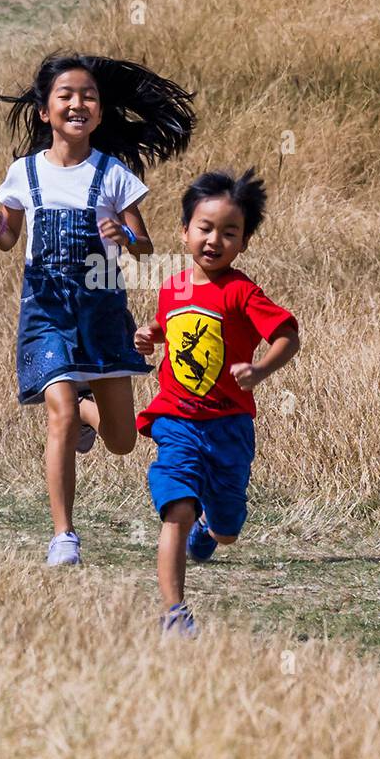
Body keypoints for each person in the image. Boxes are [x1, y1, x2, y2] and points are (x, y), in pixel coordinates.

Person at [0, 52, 195, 566]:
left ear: (100, 112)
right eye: (66, 96)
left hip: (101, 316)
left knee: (122, 441)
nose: (79, 103)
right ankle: (64, 537)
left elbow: (144, 245)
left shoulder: (112, 174)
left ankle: (85, 413)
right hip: (46, 312)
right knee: (57, 413)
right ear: (43, 110)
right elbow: (11, 238)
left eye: (89, 96)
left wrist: (125, 234)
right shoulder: (23, 173)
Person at [134, 167, 299, 633]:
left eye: (230, 232)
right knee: (177, 509)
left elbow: (289, 334)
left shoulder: (243, 292)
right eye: (205, 228)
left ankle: (211, 531)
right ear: (185, 231)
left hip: (229, 426)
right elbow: (171, 327)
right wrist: (150, 336)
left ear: (244, 242)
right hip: (177, 420)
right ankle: (174, 612)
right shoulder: (173, 287)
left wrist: (263, 369)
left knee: (226, 530)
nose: (214, 240)